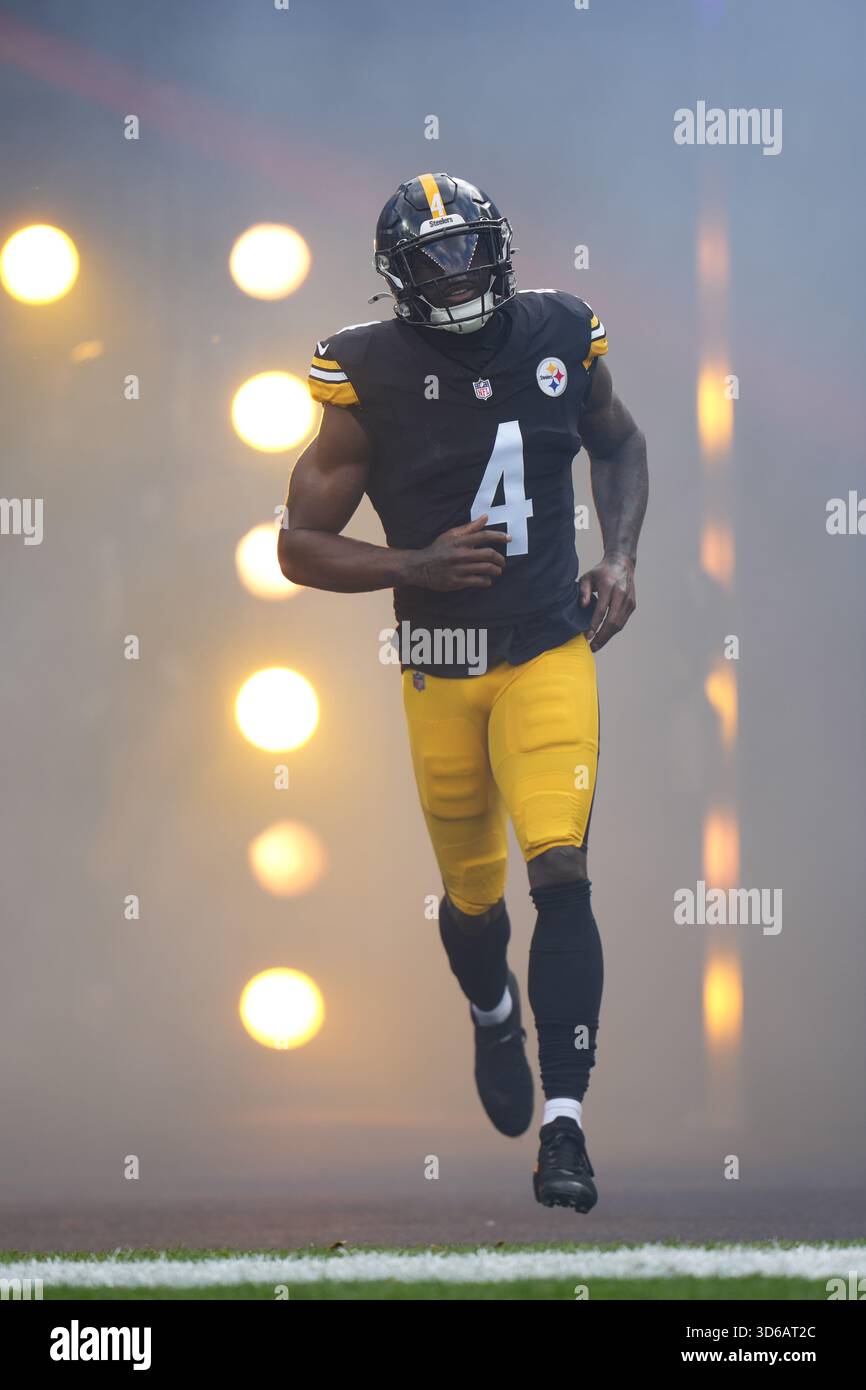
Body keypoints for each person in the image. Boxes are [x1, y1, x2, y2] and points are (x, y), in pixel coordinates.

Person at [278, 173, 648, 1211]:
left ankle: (564, 1126)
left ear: (499, 247)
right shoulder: (366, 372)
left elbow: (617, 440)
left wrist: (616, 556)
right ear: (398, 276)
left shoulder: (560, 331)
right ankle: (492, 1010)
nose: (458, 274)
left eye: (469, 249)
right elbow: (295, 546)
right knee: (473, 897)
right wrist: (412, 567)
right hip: (440, 660)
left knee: (561, 870)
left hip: (545, 646)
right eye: (433, 259)